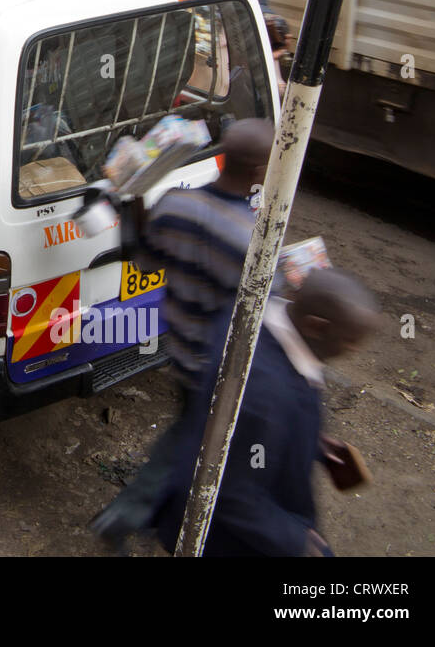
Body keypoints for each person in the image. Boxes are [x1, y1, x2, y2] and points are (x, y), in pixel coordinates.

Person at [90, 118, 274, 546]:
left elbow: (144, 263)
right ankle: (126, 515)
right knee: (190, 441)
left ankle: (157, 513)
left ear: (223, 156)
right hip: (219, 366)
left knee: (191, 434)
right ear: (263, 172)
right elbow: (266, 312)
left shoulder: (177, 205)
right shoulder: (251, 239)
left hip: (182, 347)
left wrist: (132, 194)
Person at [154, 268, 380, 557]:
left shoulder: (254, 318)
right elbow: (232, 493)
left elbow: (245, 442)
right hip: (221, 541)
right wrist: (296, 542)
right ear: (316, 327)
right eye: (350, 340)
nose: (355, 350)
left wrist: (310, 440)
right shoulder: (264, 397)